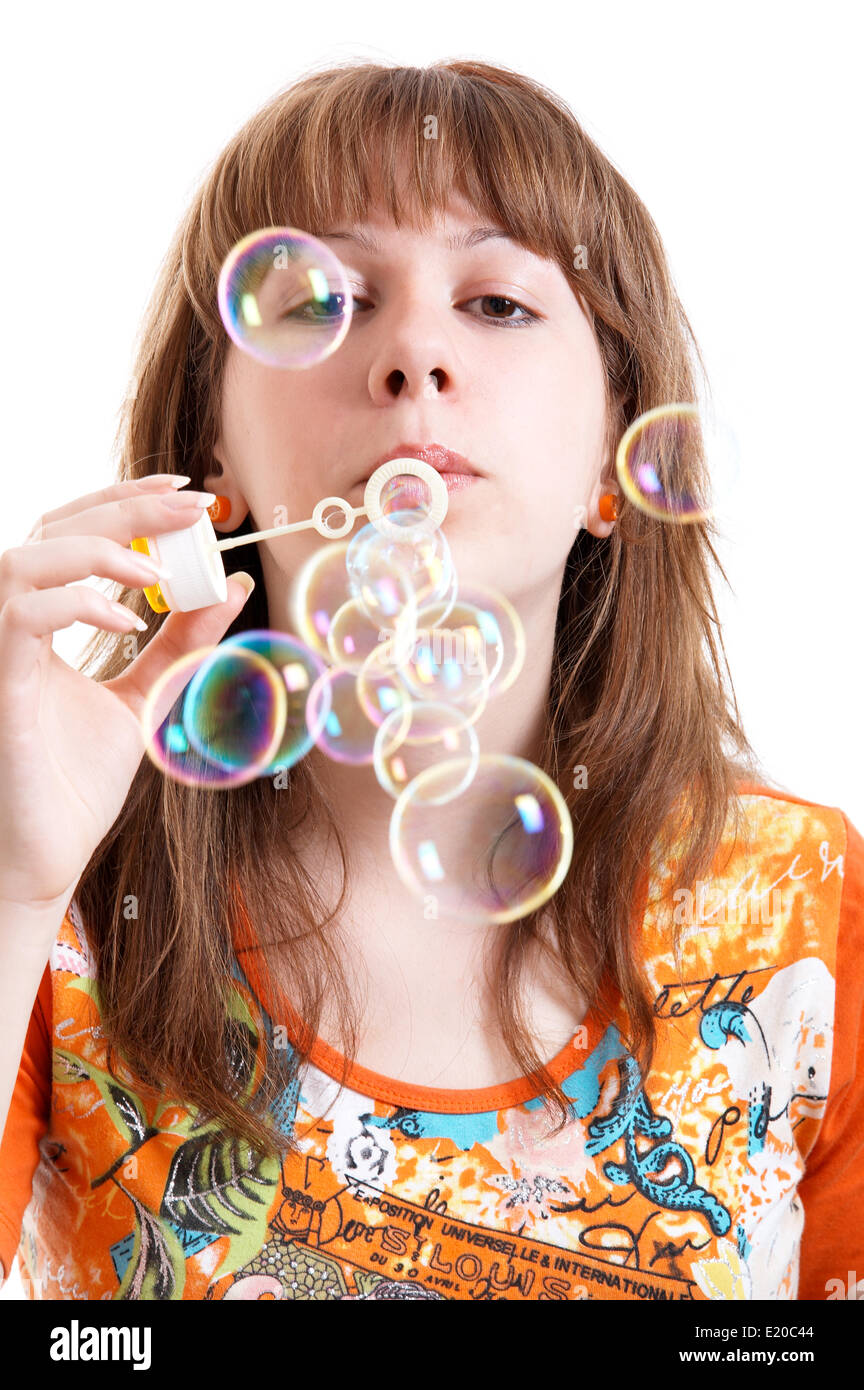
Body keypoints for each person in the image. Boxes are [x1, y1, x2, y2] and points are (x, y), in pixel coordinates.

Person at [0, 58, 861, 1303]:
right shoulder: (64, 918)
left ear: (615, 463)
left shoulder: (806, 917)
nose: (412, 353)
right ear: (211, 456)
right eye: (327, 299)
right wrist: (14, 881)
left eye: (499, 303)